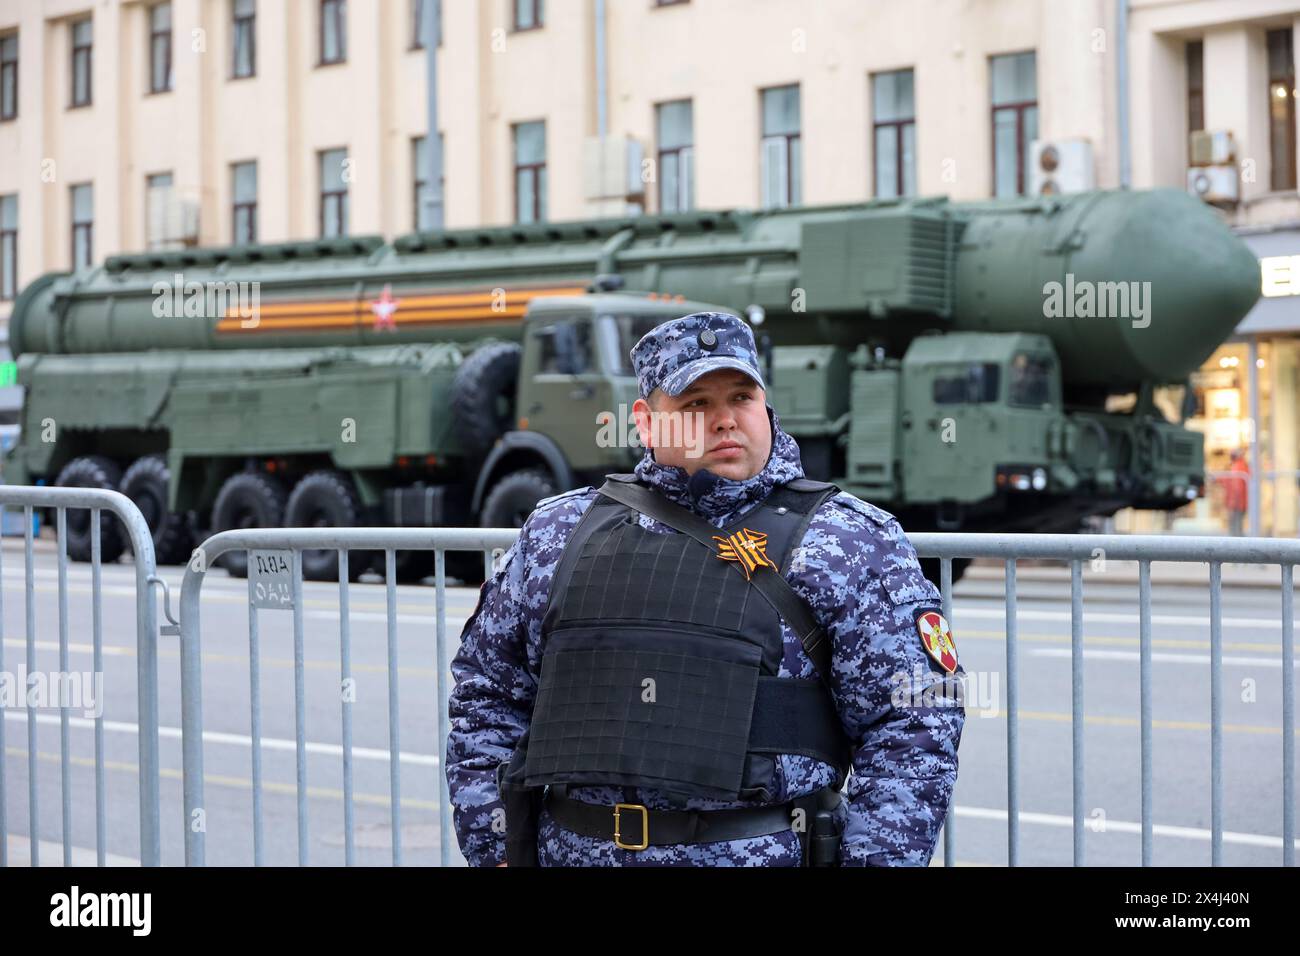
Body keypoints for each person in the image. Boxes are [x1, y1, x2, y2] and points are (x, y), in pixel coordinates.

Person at [445, 311, 965, 867]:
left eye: (740, 397)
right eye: (696, 404)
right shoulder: (556, 534)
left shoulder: (850, 541)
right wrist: (495, 846)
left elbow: (916, 719)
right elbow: (488, 696)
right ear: (646, 422)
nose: (725, 421)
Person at [1223, 449, 1250, 536]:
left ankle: (1237, 546)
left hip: (1238, 503)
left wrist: (1235, 502)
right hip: (1238, 502)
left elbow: (1238, 487)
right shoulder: (1239, 465)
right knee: (1236, 525)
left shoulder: (1239, 466)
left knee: (1236, 526)